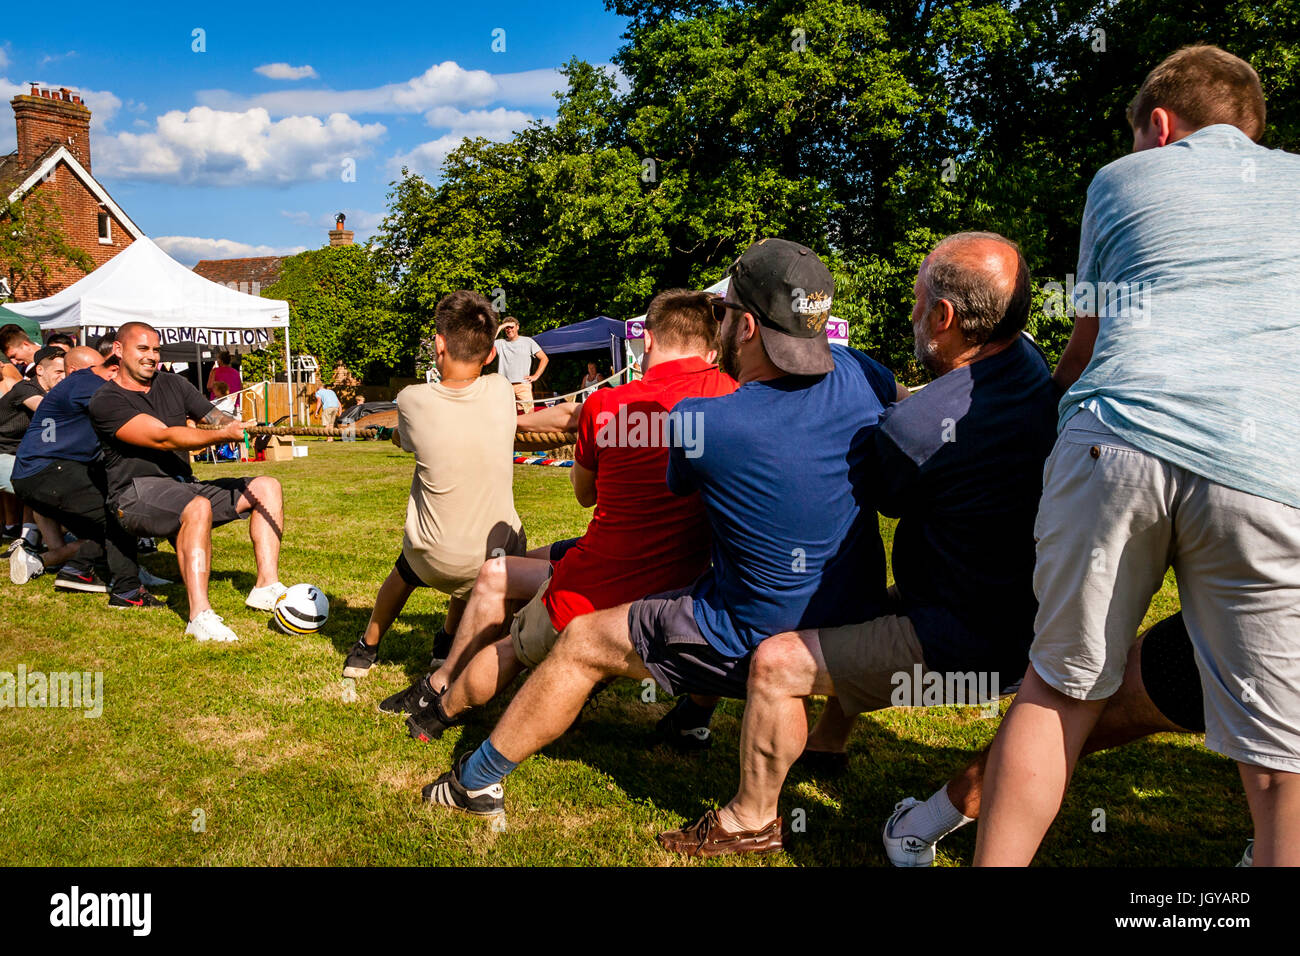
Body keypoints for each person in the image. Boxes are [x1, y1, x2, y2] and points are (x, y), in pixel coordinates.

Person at [419, 238, 901, 823]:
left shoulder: (709, 423)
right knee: (707, 571)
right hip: (854, 610)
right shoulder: (861, 372)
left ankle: (474, 773)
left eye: (725, 313)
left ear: (745, 326)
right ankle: (717, 725)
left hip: (757, 629)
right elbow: (904, 413)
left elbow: (631, 493)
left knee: (583, 641)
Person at [976, 46, 1300, 867]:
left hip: (1117, 441)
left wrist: (1032, 411)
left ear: (1159, 125)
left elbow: (1085, 348)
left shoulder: (1121, 182)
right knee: (1277, 748)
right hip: (1266, 466)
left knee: (1057, 690)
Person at [650, 232, 1051, 857]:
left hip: (963, 638)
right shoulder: (1027, 363)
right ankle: (829, 743)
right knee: (856, 605)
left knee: (780, 663)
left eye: (918, 303)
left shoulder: (918, 427)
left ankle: (748, 819)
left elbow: (871, 486)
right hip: (1015, 609)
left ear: (943, 318)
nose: (911, 315)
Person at [381, 289, 737, 745]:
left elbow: (585, 495)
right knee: (530, 559)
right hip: (692, 587)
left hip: (603, 588)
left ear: (646, 342)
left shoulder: (609, 407)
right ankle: (691, 717)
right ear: (711, 350)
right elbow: (575, 414)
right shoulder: (736, 400)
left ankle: (442, 697)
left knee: (497, 579)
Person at [340, 291, 526, 678]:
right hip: (496, 562)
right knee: (480, 530)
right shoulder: (502, 391)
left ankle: (368, 645)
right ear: (491, 354)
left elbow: (405, 437)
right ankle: (445, 640)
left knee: (405, 570)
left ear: (438, 345)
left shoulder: (412, 399)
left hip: (432, 560)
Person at [88, 322, 285, 643]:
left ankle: (266, 585)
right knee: (197, 505)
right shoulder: (106, 400)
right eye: (143, 349)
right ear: (119, 351)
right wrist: (223, 434)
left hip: (183, 486)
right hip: (133, 496)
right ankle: (199, 615)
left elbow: (212, 417)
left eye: (155, 349)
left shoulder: (174, 384)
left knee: (266, 486)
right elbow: (163, 437)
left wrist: (240, 426)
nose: (151, 356)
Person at [9, 346, 164, 606]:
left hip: (43, 472)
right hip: (49, 471)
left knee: (102, 527)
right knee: (120, 514)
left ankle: (77, 570)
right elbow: (136, 415)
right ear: (116, 368)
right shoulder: (91, 384)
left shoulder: (82, 383)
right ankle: (128, 592)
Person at [3, 347, 76, 583]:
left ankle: (49, 547)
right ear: (40, 371)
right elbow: (50, 412)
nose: (63, 376)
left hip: (20, 456)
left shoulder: (55, 391)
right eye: (57, 371)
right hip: (2, 454)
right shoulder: (26, 389)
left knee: (48, 484)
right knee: (42, 488)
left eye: (66, 371)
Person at [495, 317, 548, 413]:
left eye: (511, 327)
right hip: (504, 386)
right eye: (506, 328)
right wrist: (501, 326)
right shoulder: (500, 343)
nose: (509, 329)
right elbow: (486, 343)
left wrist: (536, 376)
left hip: (523, 385)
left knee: (528, 415)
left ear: (517, 327)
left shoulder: (528, 341)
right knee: (505, 415)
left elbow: (544, 358)